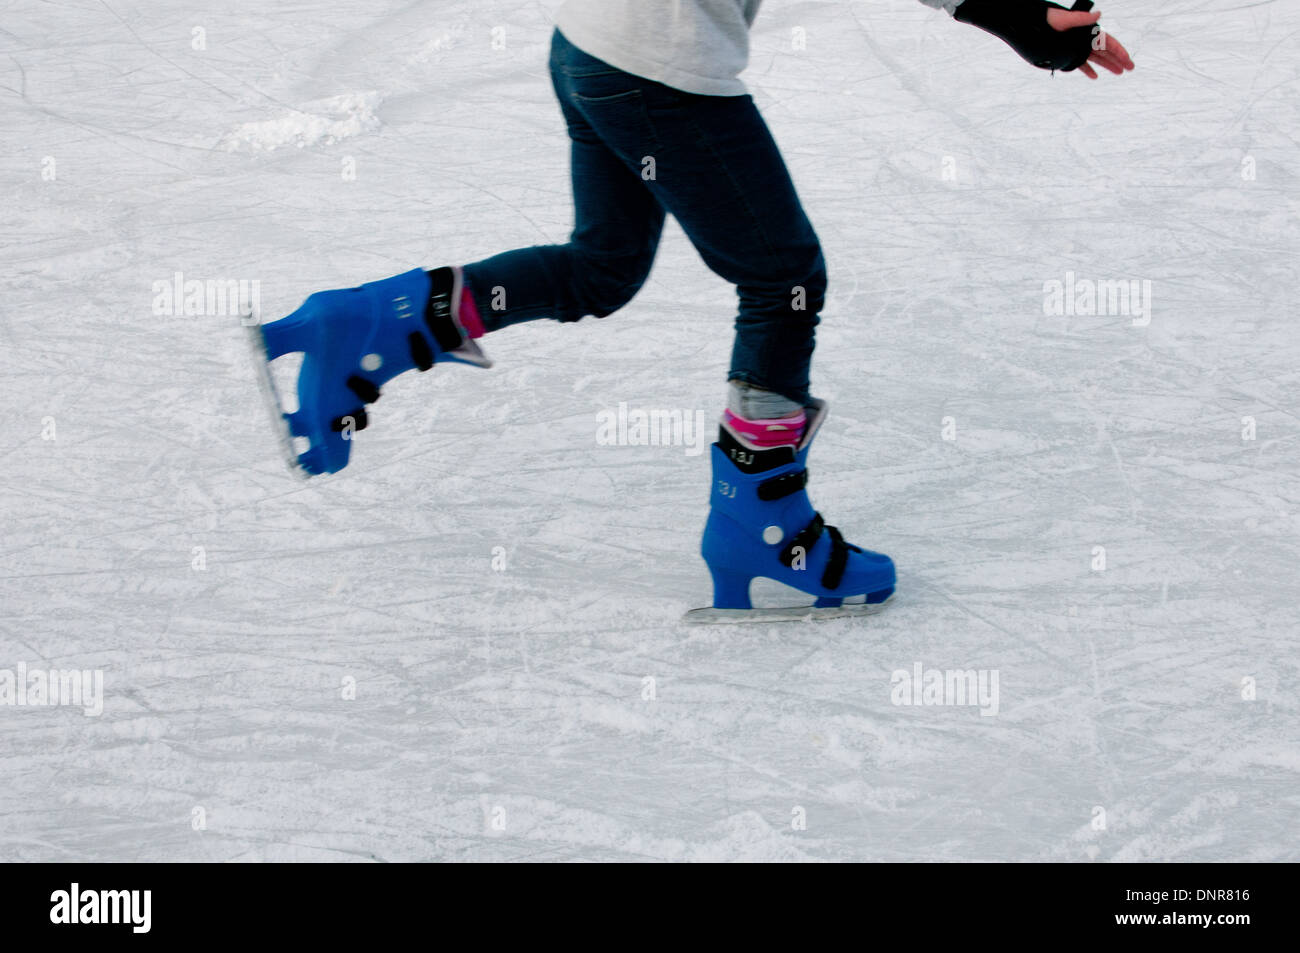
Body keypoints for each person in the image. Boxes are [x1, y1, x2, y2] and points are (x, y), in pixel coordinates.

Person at [250, 0, 1134, 620]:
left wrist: (1014, 13)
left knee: (601, 268)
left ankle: (365, 325)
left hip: (592, 44)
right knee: (784, 279)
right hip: (656, 68)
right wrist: (1017, 14)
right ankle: (764, 526)